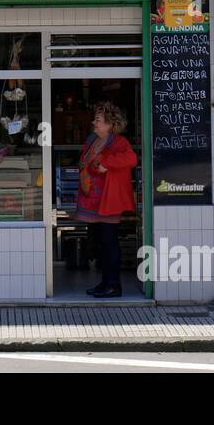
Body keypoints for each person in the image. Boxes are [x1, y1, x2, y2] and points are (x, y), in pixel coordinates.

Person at [76, 102, 137, 298]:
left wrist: (106, 164)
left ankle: (114, 285)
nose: (94, 123)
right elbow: (84, 161)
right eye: (95, 119)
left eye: (99, 120)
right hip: (92, 200)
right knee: (99, 241)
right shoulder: (92, 139)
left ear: (111, 124)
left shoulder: (119, 142)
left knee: (110, 242)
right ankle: (104, 283)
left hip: (109, 200)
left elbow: (131, 159)